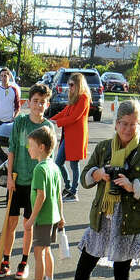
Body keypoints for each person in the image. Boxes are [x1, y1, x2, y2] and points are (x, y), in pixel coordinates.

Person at [50, 98, 140, 280]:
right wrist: (98, 174)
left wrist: (134, 186)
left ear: (139, 125)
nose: (127, 129)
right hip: (103, 215)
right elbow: (84, 179)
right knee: (85, 264)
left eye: (133, 124)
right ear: (116, 123)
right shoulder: (104, 147)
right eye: (123, 123)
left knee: (121, 271)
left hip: (129, 218)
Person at [0, 82, 52, 279]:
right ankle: (6, 259)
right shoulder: (20, 123)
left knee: (29, 225)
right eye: (35, 101)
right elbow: (12, 150)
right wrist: (9, 177)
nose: (38, 105)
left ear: (47, 104)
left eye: (42, 102)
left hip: (35, 185)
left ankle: (24, 261)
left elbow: (49, 162)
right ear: (29, 103)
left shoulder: (48, 127)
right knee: (11, 223)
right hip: (17, 180)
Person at [15, 125, 65, 280]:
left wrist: (31, 219)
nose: (29, 149)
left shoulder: (39, 169)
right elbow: (58, 194)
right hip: (53, 217)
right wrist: (61, 215)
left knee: (38, 253)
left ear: (41, 147)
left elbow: (41, 196)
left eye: (31, 145)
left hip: (42, 218)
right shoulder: (53, 166)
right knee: (47, 250)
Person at [51, 71, 90, 202]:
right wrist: (49, 120)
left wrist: (57, 123)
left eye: (72, 84)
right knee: (58, 162)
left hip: (77, 136)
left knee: (74, 164)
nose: (70, 87)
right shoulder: (74, 98)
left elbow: (74, 117)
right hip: (68, 135)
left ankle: (74, 191)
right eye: (69, 84)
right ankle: (68, 187)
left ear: (79, 84)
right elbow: (64, 113)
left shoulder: (84, 98)